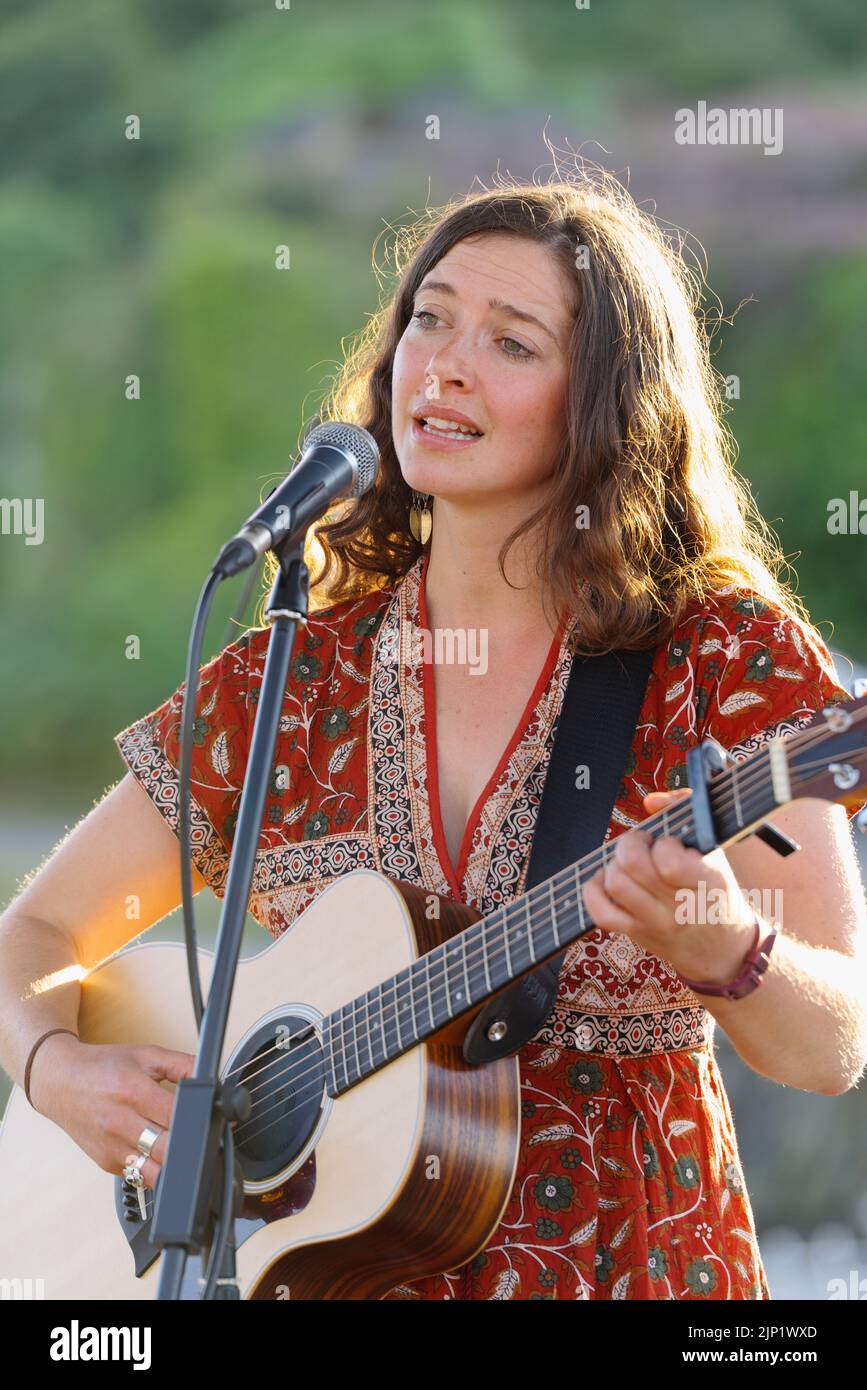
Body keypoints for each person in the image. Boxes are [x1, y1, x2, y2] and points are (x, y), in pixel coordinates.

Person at [1, 172, 866, 1302]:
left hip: (632, 1269)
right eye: (430, 318)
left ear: (606, 401)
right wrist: (54, 1065)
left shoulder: (720, 657)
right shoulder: (291, 680)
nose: (445, 363)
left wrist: (727, 949)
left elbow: (832, 1045)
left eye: (513, 343)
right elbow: (41, 929)